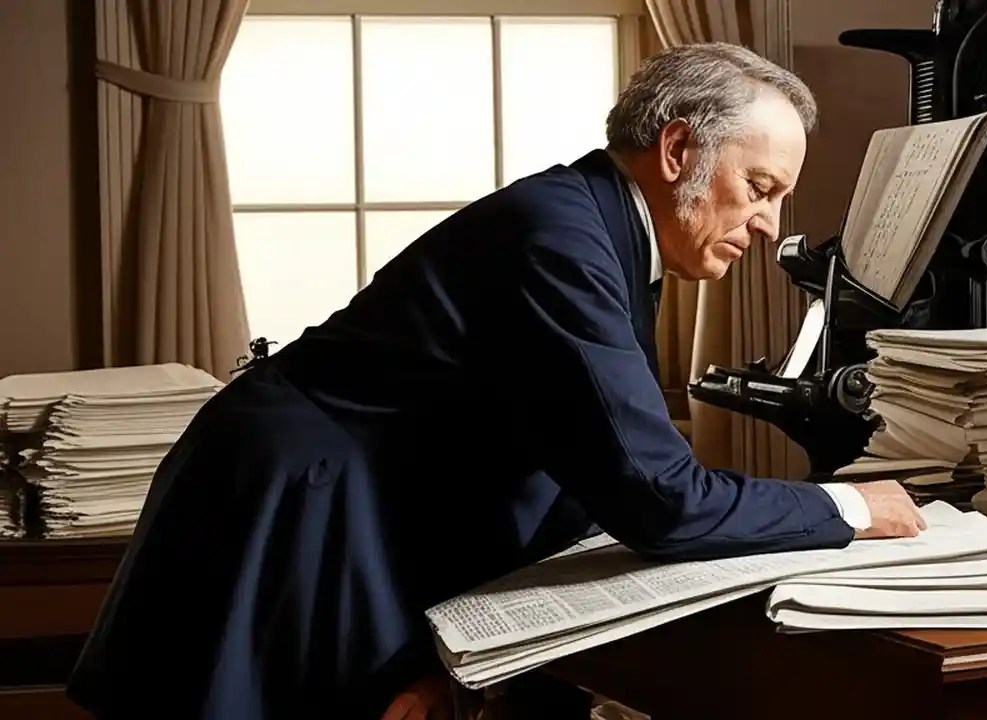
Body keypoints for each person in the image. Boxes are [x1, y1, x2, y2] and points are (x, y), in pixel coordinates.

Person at [66, 41, 926, 720]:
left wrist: (459, 658)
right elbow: (656, 495)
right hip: (300, 504)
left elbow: (578, 482)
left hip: (364, 502)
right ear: (676, 150)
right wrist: (849, 507)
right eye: (761, 186)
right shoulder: (560, 238)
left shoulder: (599, 230)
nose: (771, 223)